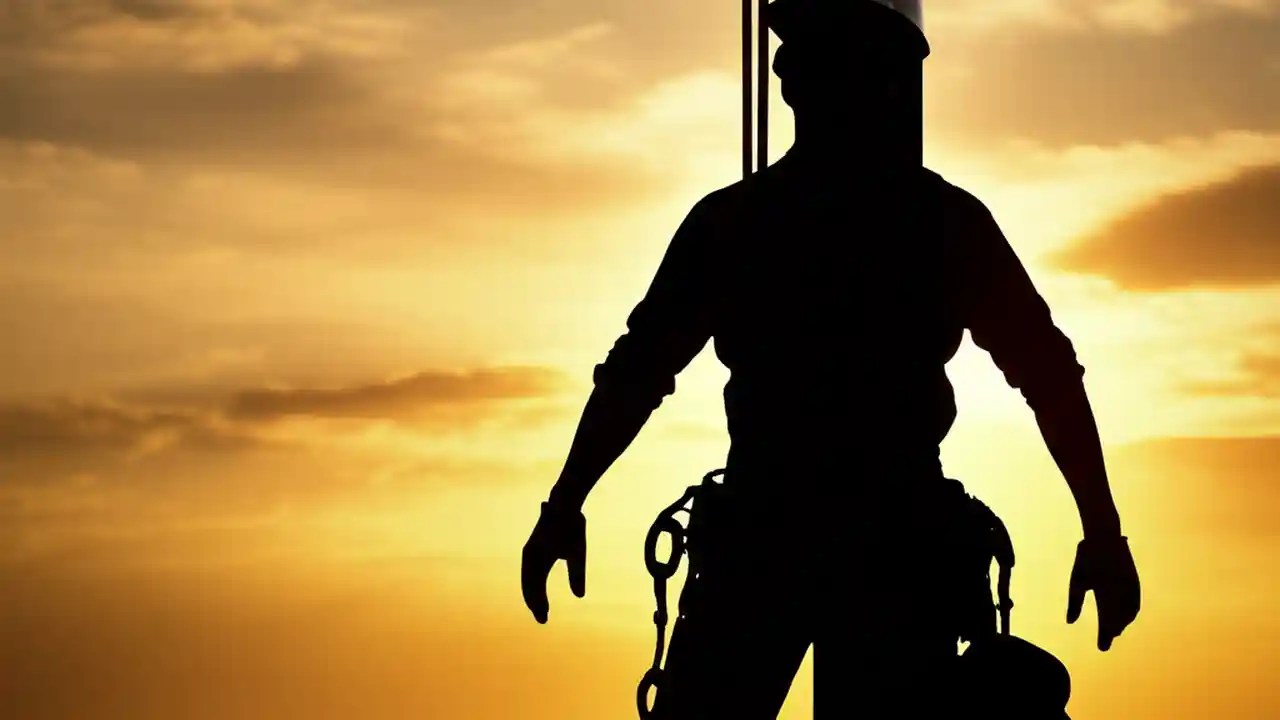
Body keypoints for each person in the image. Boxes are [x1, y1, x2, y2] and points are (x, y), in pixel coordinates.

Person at [521, 1, 1141, 716]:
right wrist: (1100, 531)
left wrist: (566, 502)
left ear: (791, 79)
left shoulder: (738, 223)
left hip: (777, 542)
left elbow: (638, 371)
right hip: (885, 548)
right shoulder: (940, 223)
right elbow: (1048, 375)